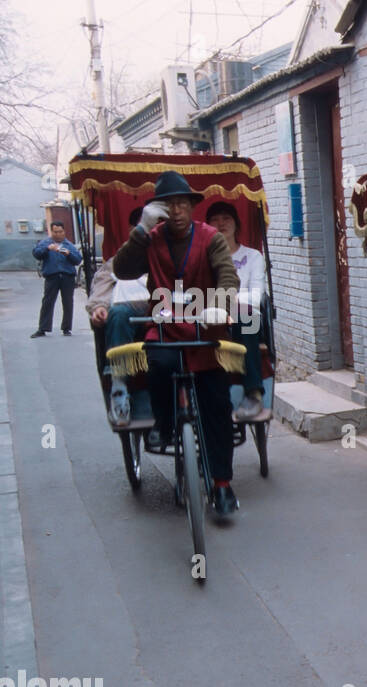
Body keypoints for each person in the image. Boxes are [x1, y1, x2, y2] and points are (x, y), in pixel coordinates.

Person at [111, 171, 243, 519]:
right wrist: (140, 231)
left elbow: (228, 274)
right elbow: (122, 270)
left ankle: (223, 486)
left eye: (183, 204)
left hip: (205, 327)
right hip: (166, 327)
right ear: (161, 210)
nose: (177, 211)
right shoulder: (150, 238)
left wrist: (223, 301)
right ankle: (165, 425)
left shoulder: (210, 237)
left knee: (217, 406)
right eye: (170, 205)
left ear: (191, 207)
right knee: (160, 363)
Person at [87, 207, 151, 425]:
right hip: (127, 315)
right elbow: (102, 288)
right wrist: (98, 308)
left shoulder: (171, 255)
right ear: (133, 230)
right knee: (117, 313)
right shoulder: (117, 261)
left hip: (163, 311)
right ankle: (119, 385)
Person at [205, 201, 268, 420]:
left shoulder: (253, 257)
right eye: (215, 219)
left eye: (226, 218)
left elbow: (256, 296)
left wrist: (223, 301)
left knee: (247, 317)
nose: (221, 223)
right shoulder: (203, 257)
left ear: (237, 223)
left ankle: (253, 393)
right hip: (211, 317)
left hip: (244, 317)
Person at [31, 221, 83, 337]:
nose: (58, 234)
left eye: (60, 232)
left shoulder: (69, 245)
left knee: (68, 302)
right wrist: (47, 249)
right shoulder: (45, 243)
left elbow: (78, 260)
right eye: (55, 232)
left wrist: (68, 254)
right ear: (51, 232)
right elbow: (36, 254)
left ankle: (66, 328)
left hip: (67, 277)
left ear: (64, 232)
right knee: (47, 302)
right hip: (52, 276)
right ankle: (43, 328)